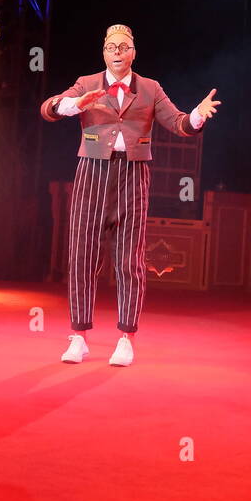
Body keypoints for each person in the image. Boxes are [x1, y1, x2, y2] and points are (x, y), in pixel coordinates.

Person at [41, 24, 220, 365]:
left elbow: (179, 123)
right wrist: (72, 104)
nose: (118, 52)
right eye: (112, 47)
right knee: (82, 255)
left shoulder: (150, 88)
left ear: (134, 52)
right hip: (91, 171)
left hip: (133, 174)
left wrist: (198, 115)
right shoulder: (86, 83)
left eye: (124, 47)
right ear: (104, 52)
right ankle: (78, 336)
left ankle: (126, 336)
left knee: (129, 259)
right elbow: (48, 109)